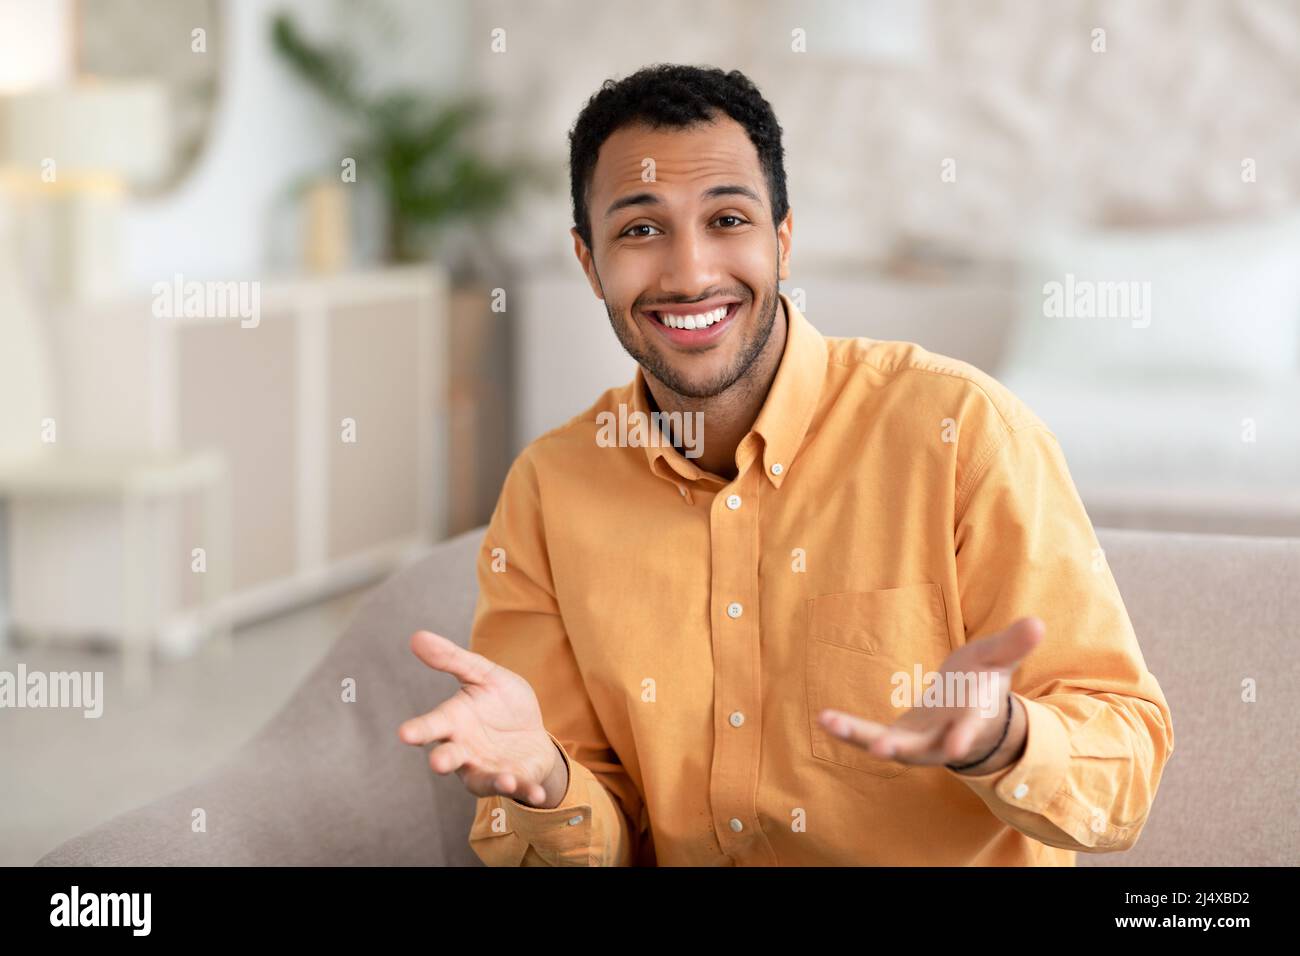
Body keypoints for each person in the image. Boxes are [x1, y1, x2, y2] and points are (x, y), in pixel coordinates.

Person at [397, 64, 1174, 866]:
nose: (690, 271)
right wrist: (549, 782)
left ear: (783, 240)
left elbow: (1127, 763)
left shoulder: (960, 432)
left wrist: (1003, 738)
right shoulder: (549, 489)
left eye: (727, 219)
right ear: (589, 262)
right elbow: (596, 835)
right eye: (639, 229)